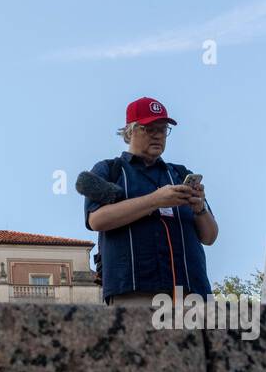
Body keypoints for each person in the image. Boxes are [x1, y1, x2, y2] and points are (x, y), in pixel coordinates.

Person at [81, 97, 217, 307]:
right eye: (149, 128)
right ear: (130, 131)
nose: (158, 135)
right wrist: (154, 201)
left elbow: (210, 236)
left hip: (191, 291)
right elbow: (96, 221)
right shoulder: (109, 170)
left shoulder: (180, 174)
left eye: (162, 129)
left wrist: (199, 209)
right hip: (134, 291)